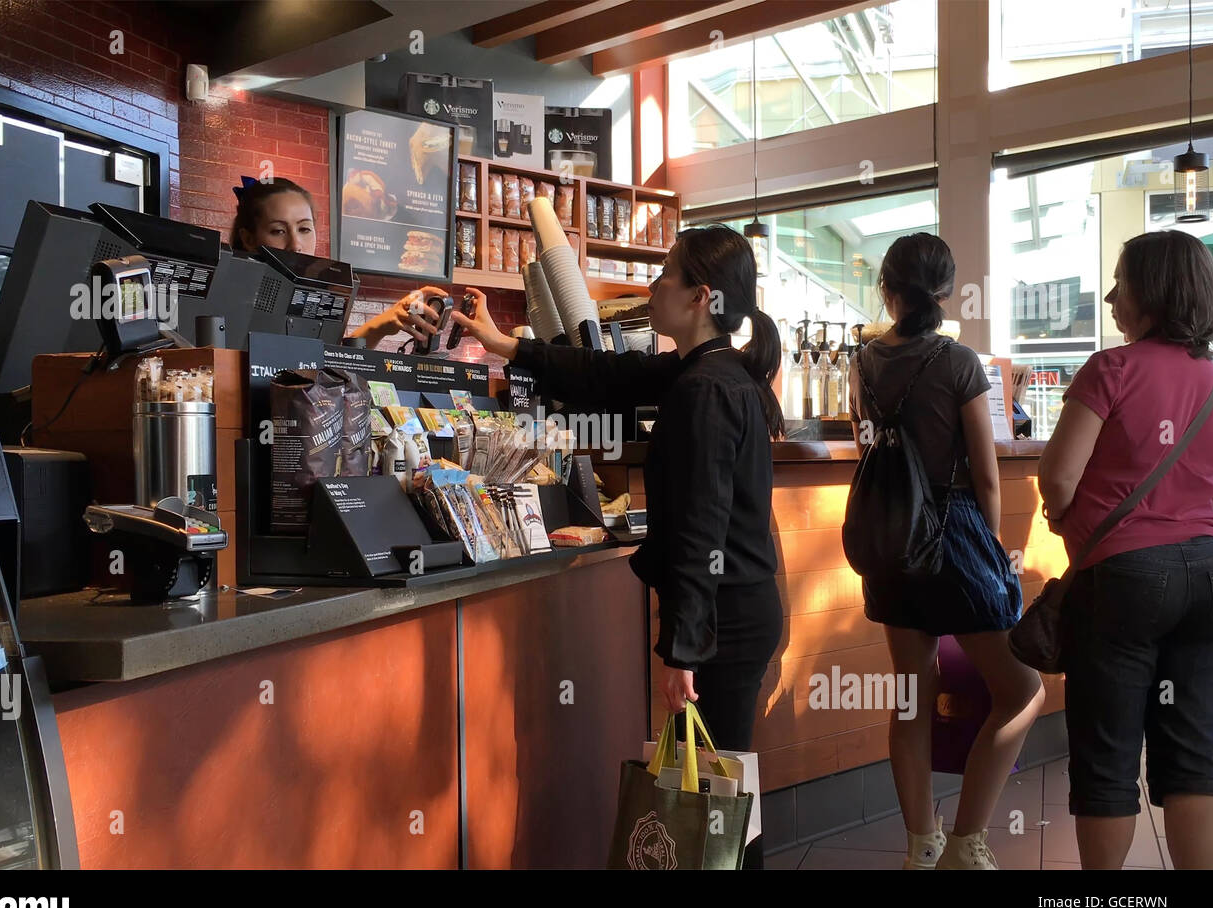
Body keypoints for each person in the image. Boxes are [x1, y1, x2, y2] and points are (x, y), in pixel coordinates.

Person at [454, 224, 785, 869]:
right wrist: (502, 343)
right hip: (737, 610)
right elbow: (607, 373)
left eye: (665, 274)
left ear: (700, 297)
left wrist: (682, 650)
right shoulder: (706, 371)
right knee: (727, 791)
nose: (652, 286)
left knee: (721, 795)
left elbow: (700, 529)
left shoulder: (704, 390)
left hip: (723, 619)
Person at [848, 232, 1044, 870]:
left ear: (887, 288)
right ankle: (967, 840)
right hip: (955, 536)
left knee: (912, 696)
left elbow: (869, 447)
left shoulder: (864, 361)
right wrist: (993, 550)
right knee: (1020, 690)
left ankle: (920, 845)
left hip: (891, 541)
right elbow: (986, 476)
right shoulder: (959, 362)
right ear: (947, 291)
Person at [1038, 229, 1213, 870]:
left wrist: (1070, 526)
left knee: (1108, 754)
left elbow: (1058, 476)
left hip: (1124, 580)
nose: (1112, 296)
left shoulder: (1111, 369)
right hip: (1209, 578)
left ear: (1154, 292)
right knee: (1196, 756)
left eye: (1124, 282)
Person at [229, 176, 441, 349]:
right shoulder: (227, 295)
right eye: (278, 231)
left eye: (304, 229)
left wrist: (387, 321)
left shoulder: (321, 292)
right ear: (248, 239)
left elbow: (334, 360)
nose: (296, 245)